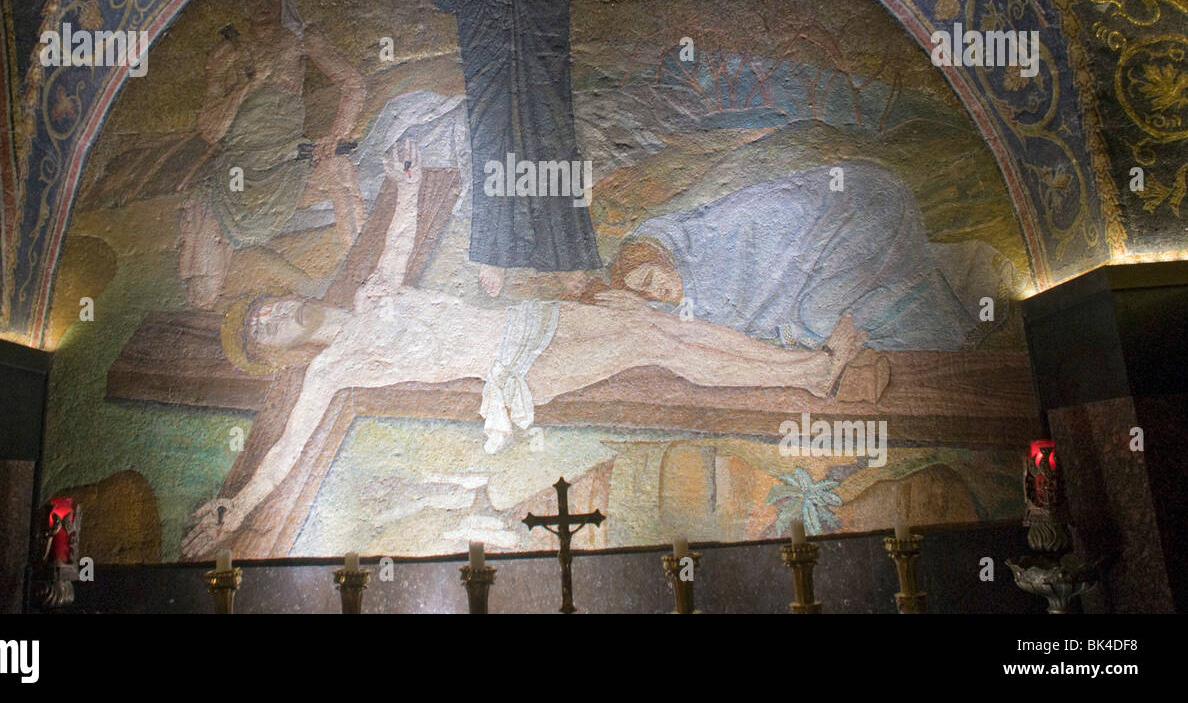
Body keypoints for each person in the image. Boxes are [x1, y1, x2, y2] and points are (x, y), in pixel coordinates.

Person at [180, 141, 879, 558]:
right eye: (267, 327)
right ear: (280, 353)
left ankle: (812, 371)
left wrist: (406, 180)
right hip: (519, 366)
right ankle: (810, 372)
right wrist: (236, 509)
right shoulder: (332, 368)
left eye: (269, 306)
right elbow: (284, 452)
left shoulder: (368, 298)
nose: (277, 314)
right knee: (654, 338)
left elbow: (394, 244)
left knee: (654, 328)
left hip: (527, 320)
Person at [432, 0, 602, 299]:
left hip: (539, 40)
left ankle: (567, 257)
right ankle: (494, 256)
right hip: (486, 42)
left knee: (552, 137)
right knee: (492, 141)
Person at [600, 161, 1013, 352]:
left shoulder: (710, 238)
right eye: (652, 295)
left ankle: (956, 311)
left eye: (654, 279)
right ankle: (948, 268)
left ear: (664, 260)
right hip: (837, 245)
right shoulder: (693, 290)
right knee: (820, 318)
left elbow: (760, 281)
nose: (663, 291)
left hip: (870, 205)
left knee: (821, 319)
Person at [178, 0, 367, 307]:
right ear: (245, 6)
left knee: (340, 171)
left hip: (286, 159)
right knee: (201, 295)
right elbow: (210, 128)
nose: (264, 5)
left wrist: (337, 136)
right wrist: (247, 86)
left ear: (284, 1)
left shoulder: (301, 40)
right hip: (238, 167)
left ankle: (365, 280)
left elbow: (354, 85)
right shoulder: (226, 53)